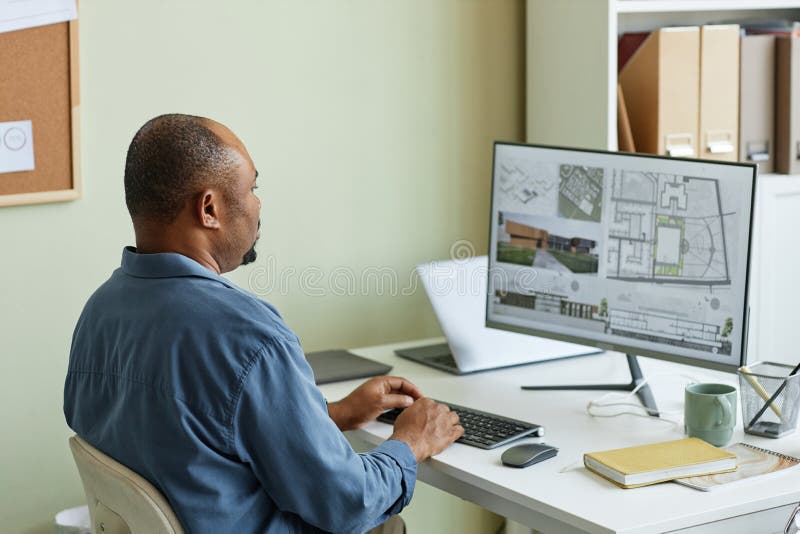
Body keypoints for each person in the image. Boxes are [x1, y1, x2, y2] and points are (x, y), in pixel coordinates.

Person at [64, 114, 464, 533]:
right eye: (252, 188)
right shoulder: (249, 336)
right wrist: (410, 442)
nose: (257, 204)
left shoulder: (98, 314)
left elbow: (191, 442)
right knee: (386, 525)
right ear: (210, 209)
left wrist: (333, 415)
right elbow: (349, 503)